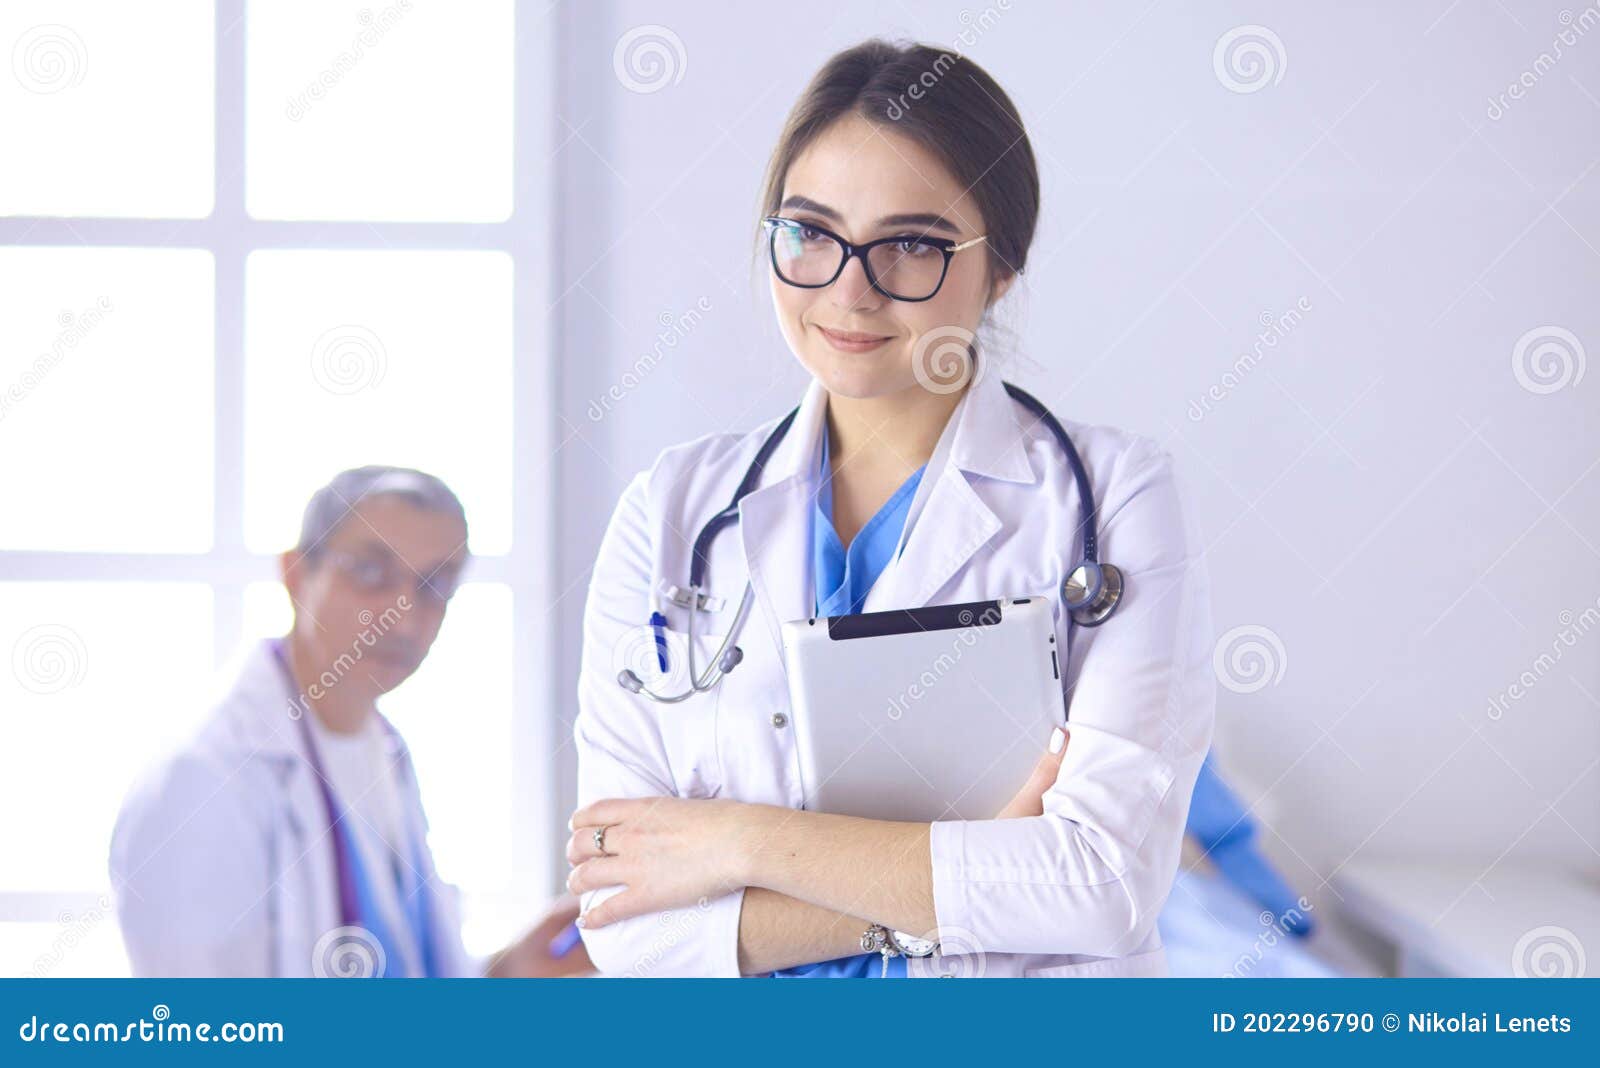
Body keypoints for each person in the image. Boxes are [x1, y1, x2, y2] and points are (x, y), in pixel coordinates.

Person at [565, 40, 1215, 978]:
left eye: (912, 245)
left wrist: (736, 841)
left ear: (1001, 268)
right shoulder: (671, 508)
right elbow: (626, 927)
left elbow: (1103, 885)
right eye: (810, 232)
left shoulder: (1116, 497)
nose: (849, 290)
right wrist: (962, 889)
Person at [110, 466, 590, 978]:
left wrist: (504, 973)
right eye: (369, 572)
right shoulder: (204, 780)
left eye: (435, 584)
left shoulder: (383, 751)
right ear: (296, 575)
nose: (404, 617)